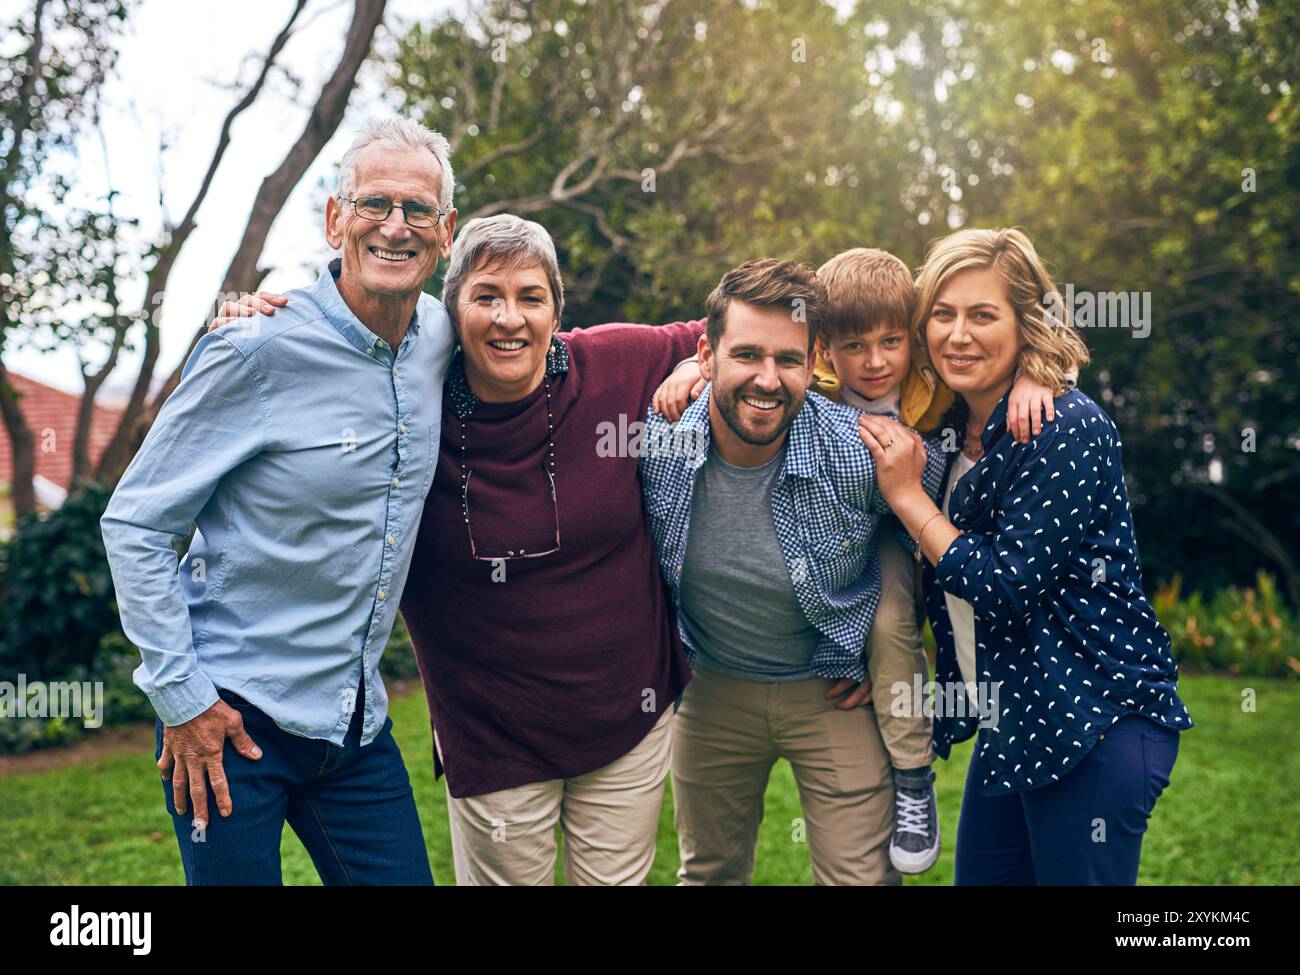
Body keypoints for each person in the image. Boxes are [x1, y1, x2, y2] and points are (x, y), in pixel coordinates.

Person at [215, 213, 708, 885]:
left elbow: (745, 328)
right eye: (486, 296)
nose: (510, 318)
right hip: (491, 733)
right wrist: (254, 319)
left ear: (557, 310)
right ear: (452, 313)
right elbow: (324, 351)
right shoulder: (408, 400)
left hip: (629, 717)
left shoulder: (613, 362)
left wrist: (692, 362)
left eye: (531, 297)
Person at [101, 117, 459, 884]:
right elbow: (135, 523)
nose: (396, 226)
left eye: (418, 209)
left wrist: (692, 367)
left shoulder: (441, 336)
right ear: (335, 220)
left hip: (354, 726)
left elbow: (540, 338)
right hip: (231, 718)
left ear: (446, 231)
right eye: (374, 204)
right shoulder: (254, 350)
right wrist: (183, 698)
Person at [857, 227, 1192, 885]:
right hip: (1014, 723)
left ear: (1024, 324)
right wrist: (695, 363)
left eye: (984, 315)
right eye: (943, 315)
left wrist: (907, 498)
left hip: (1094, 720)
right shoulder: (949, 423)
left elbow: (1004, 585)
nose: (958, 334)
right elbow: (820, 349)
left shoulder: (1064, 426)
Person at [639, 258, 947, 885]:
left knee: (862, 881)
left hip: (831, 692)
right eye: (747, 354)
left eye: (786, 359)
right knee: (708, 875)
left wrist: (880, 653)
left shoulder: (861, 450)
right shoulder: (657, 446)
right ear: (707, 354)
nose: (767, 378)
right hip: (711, 689)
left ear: (813, 365)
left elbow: (948, 505)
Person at [806, 247, 1055, 873]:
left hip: (906, 535)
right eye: (854, 345)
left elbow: (1017, 344)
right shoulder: (814, 389)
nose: (875, 361)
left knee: (891, 620)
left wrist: (1040, 376)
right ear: (825, 348)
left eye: (892, 340)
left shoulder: (933, 384)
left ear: (912, 339)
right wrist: (688, 372)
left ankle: (914, 780)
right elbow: (741, 353)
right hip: (828, 534)